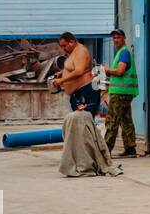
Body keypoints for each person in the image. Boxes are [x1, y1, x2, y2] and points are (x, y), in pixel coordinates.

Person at [102, 28, 138, 156]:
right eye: (114, 38)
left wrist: (107, 70)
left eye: (118, 37)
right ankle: (130, 148)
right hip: (126, 92)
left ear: (124, 38)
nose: (116, 40)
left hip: (120, 92)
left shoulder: (123, 53)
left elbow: (120, 71)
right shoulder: (123, 52)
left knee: (112, 120)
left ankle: (106, 151)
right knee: (125, 119)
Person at [50, 32, 99, 115]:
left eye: (64, 46)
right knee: (79, 121)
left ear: (71, 42)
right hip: (80, 92)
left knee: (84, 121)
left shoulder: (81, 51)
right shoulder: (75, 51)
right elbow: (77, 66)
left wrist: (61, 80)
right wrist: (63, 72)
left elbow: (79, 71)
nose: (63, 49)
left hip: (86, 91)